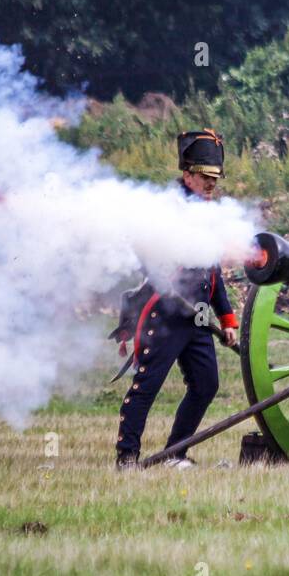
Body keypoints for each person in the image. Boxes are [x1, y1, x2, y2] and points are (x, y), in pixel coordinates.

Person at [113, 129, 239, 470]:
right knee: (147, 385)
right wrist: (162, 282)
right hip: (164, 314)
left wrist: (227, 319)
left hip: (196, 316)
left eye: (215, 178)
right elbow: (140, 247)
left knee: (206, 385)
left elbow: (213, 273)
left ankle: (175, 453)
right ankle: (126, 457)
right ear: (187, 174)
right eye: (205, 177)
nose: (212, 183)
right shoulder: (166, 206)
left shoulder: (209, 211)